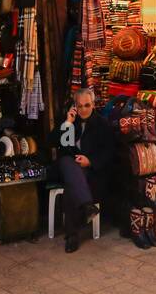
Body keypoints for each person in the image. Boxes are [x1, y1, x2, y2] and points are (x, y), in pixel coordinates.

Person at [48, 88, 116, 253]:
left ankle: (72, 235)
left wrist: (90, 161)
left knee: (73, 186)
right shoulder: (70, 121)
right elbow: (51, 141)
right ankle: (87, 205)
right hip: (65, 166)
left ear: (93, 105)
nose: (84, 109)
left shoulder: (102, 124)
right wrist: (68, 124)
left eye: (87, 105)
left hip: (88, 170)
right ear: (75, 106)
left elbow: (109, 152)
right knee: (67, 162)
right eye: (80, 106)